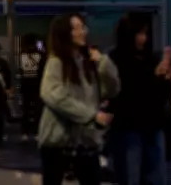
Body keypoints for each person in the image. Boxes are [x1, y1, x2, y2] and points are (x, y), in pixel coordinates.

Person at [38, 13, 120, 185]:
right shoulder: (56, 62)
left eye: (83, 27)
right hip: (58, 141)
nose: (83, 32)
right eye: (77, 28)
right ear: (65, 33)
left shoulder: (88, 63)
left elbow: (112, 90)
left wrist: (104, 63)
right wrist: (90, 115)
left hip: (86, 140)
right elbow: (54, 95)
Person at [108, 13, 171, 185]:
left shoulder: (150, 59)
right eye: (139, 33)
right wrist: (155, 77)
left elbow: (162, 95)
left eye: (145, 33)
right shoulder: (116, 60)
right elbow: (126, 94)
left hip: (153, 125)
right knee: (130, 176)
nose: (143, 38)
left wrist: (165, 79)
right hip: (128, 127)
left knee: (156, 176)